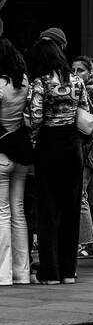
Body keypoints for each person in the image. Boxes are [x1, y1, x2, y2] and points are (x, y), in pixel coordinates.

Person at [26, 37, 91, 285]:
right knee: (71, 210)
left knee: (47, 210)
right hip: (73, 146)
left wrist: (33, 140)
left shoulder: (40, 83)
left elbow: (35, 118)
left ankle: (50, 272)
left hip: (48, 146)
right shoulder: (77, 82)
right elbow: (86, 114)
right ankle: (68, 272)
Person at [0, 37, 31, 286]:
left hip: (1, 154)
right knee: (18, 212)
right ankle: (22, 272)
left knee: (2, 213)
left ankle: (3, 273)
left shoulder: (0, 85)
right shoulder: (24, 82)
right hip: (20, 153)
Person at [72, 56, 93, 260]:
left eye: (80, 70)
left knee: (80, 194)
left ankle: (88, 243)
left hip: (88, 148)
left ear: (90, 73)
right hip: (85, 147)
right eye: (73, 70)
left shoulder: (91, 90)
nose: (75, 74)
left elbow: (87, 119)